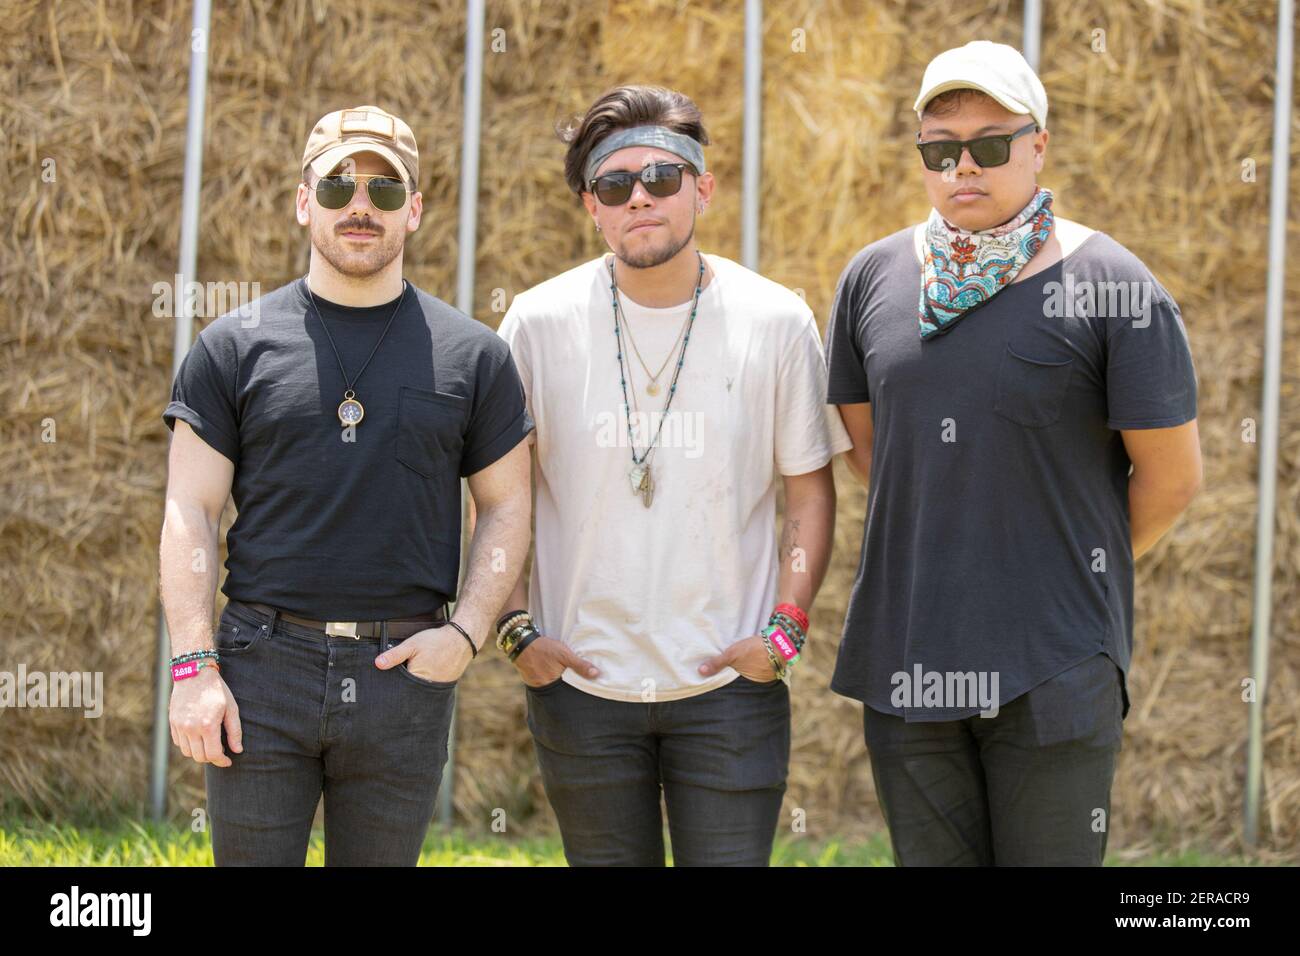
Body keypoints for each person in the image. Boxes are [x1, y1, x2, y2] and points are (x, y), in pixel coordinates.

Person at [824, 42, 1202, 866]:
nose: (966, 165)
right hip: (910, 653)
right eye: (941, 148)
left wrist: (1062, 566)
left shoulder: (1115, 286)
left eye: (992, 143)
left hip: (1055, 662)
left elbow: (1172, 480)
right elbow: (873, 453)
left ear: (1039, 145)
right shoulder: (871, 279)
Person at [160, 105, 533, 865]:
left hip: (403, 672)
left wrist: (465, 636)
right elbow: (189, 510)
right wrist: (194, 666)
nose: (360, 206)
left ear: (415, 211)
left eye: (385, 190)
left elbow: (506, 506)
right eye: (337, 187)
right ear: (304, 202)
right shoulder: (232, 345)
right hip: (260, 667)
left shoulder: (476, 356)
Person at [495, 84, 852, 866]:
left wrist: (784, 630)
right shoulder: (535, 322)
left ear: (703, 188)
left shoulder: (776, 321)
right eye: (615, 186)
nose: (640, 199)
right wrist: (517, 630)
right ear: (592, 206)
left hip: (730, 687)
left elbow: (809, 491)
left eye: (661, 177)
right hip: (581, 687)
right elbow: (499, 495)